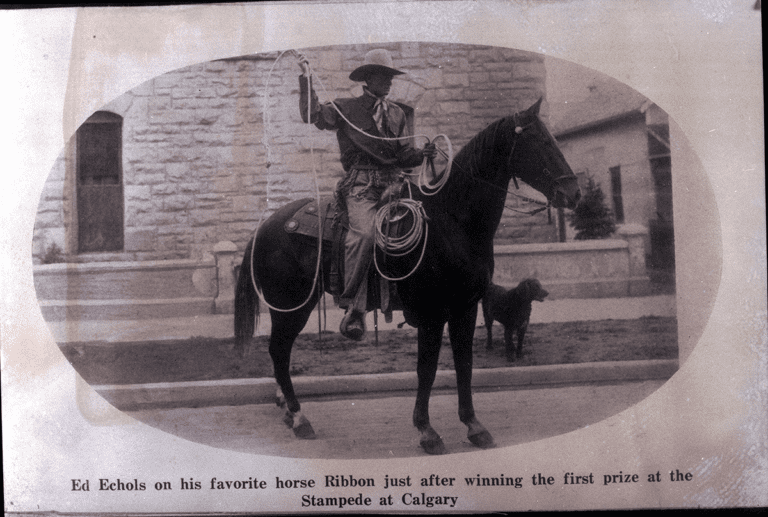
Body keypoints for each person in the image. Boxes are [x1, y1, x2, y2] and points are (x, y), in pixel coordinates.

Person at [297, 49, 437, 341]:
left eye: (390, 77)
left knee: (426, 227)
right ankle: (353, 307)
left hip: (394, 186)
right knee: (365, 235)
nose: (388, 83)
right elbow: (311, 115)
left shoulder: (397, 113)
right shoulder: (345, 108)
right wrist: (306, 79)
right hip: (361, 187)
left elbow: (403, 155)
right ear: (367, 79)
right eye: (382, 77)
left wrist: (422, 155)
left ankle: (413, 299)